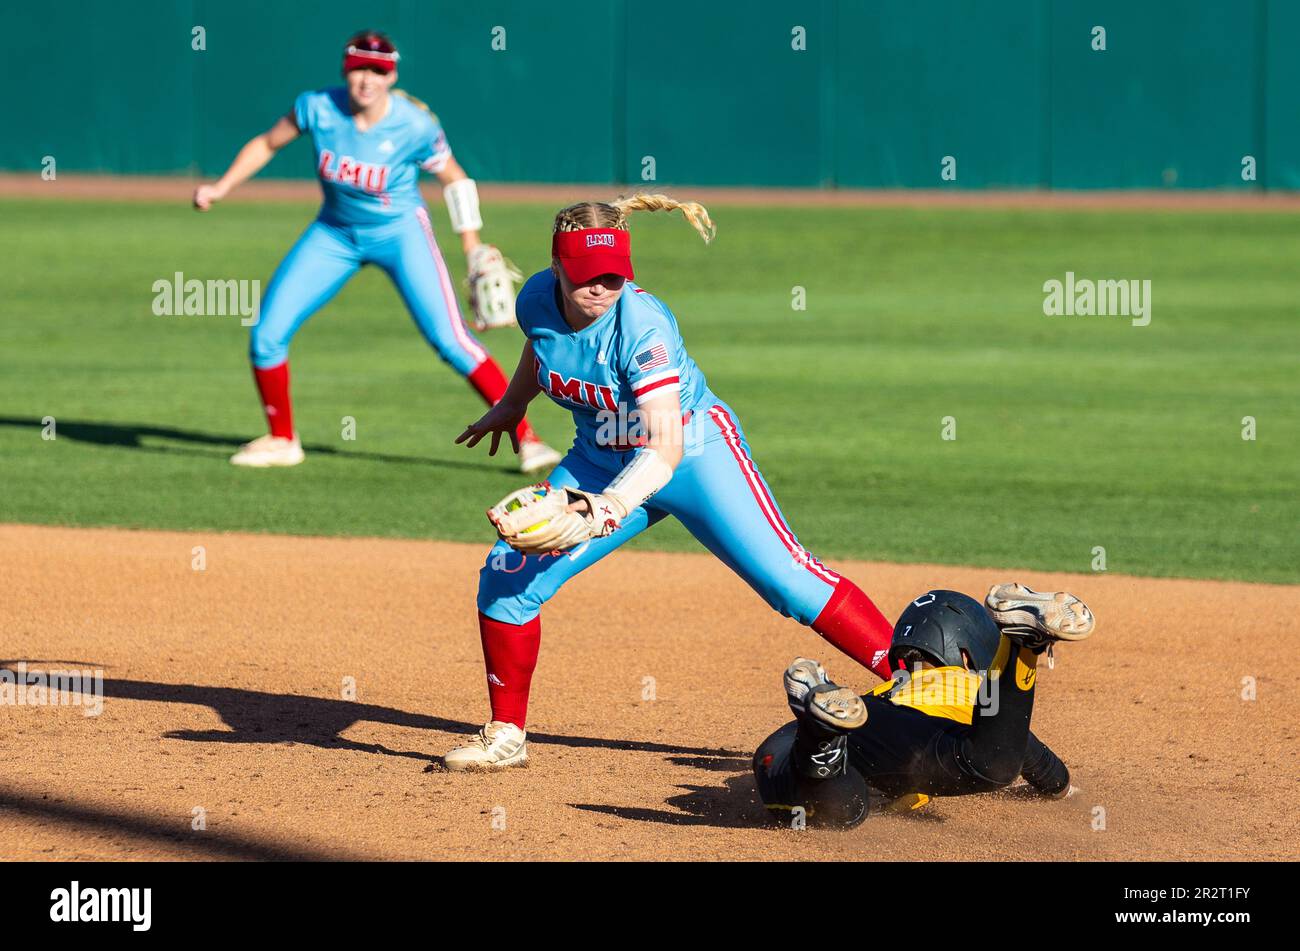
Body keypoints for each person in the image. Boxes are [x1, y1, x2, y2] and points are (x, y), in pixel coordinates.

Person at [443, 194, 899, 770]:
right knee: (507, 575)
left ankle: (918, 684)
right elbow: (543, 349)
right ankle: (507, 733)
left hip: (693, 459)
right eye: (587, 275)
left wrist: (606, 508)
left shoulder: (643, 327)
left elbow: (664, 449)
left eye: (614, 275)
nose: (602, 288)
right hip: (598, 460)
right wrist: (511, 405)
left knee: (790, 585)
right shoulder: (536, 297)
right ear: (556, 267)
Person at [192, 30, 560, 473]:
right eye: (359, 68)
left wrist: (472, 243)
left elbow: (456, 180)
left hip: (400, 234)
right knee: (267, 333)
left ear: (392, 75)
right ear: (346, 71)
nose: (367, 79)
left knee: (452, 341)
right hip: (334, 234)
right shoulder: (317, 107)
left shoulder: (415, 124)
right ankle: (281, 439)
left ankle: (527, 438)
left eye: (378, 70)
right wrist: (221, 186)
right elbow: (268, 143)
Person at [753, 583, 1096, 827]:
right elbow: (1033, 760)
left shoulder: (891, 688)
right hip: (910, 740)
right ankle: (1022, 647)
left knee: (845, 808)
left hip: (847, 728)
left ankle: (820, 732)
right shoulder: (974, 687)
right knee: (994, 762)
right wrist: (1063, 788)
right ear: (967, 653)